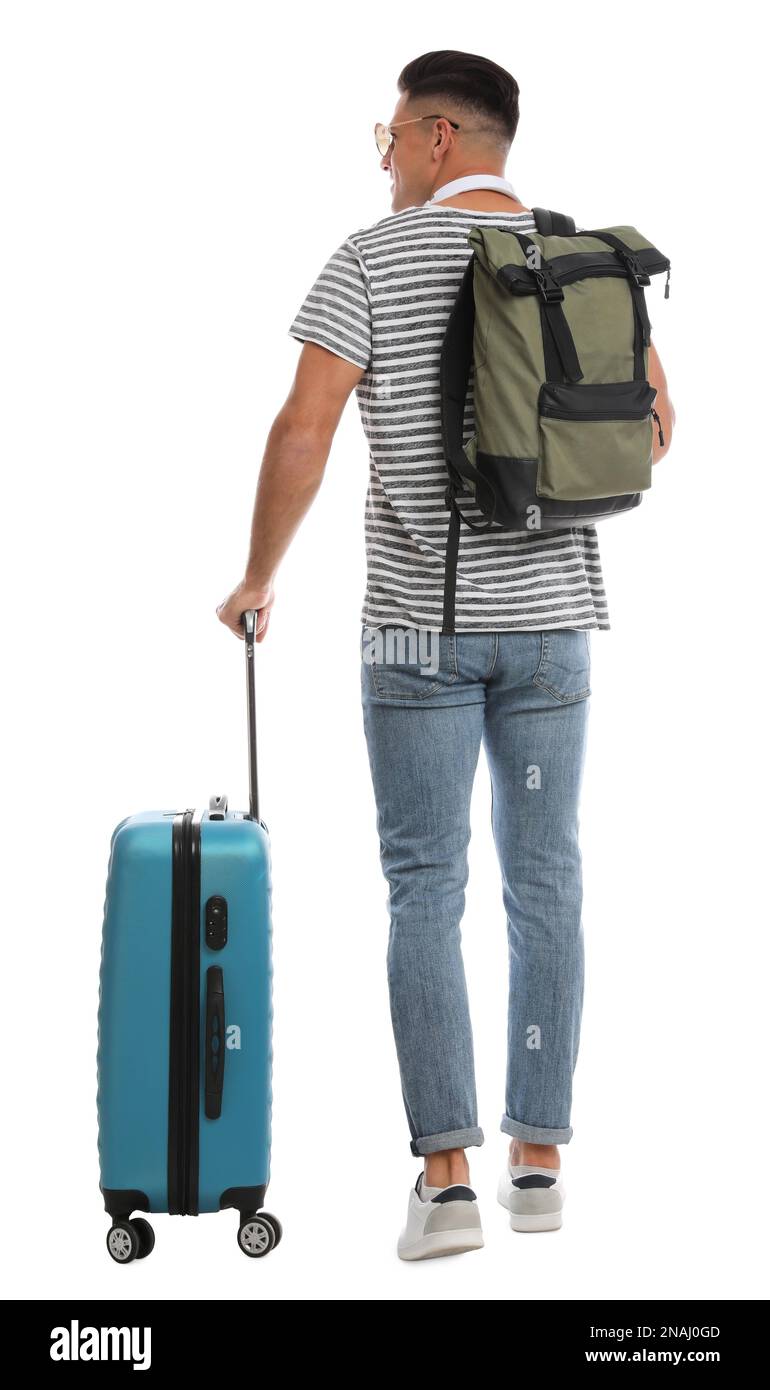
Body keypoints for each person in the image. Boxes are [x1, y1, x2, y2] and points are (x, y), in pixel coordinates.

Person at [217, 48, 675, 1261]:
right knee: (548, 885)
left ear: (431, 137)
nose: (380, 160)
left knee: (427, 890)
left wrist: (260, 576)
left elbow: (304, 428)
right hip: (553, 634)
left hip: (418, 635)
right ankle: (539, 1165)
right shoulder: (581, 256)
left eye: (385, 137)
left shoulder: (370, 257)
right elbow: (656, 427)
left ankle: (447, 1183)